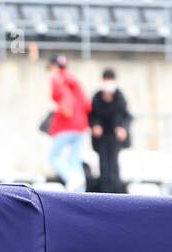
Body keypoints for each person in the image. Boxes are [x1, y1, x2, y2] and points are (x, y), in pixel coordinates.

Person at [46, 56, 90, 193]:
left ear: (54, 67)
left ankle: (72, 178)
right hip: (80, 126)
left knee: (53, 156)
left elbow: (66, 98)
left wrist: (66, 108)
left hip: (66, 125)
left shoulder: (57, 78)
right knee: (74, 159)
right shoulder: (75, 81)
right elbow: (87, 105)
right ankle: (81, 193)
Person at [90, 68, 132, 194]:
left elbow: (126, 116)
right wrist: (95, 125)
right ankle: (104, 191)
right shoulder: (97, 97)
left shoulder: (120, 97)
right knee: (103, 164)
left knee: (114, 164)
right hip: (101, 137)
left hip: (115, 137)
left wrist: (123, 128)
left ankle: (115, 192)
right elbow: (93, 116)